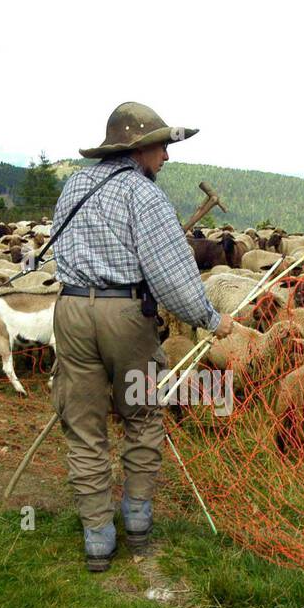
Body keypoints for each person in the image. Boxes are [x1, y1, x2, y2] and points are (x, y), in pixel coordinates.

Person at [51, 102, 235, 571]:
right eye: (162, 148)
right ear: (139, 149)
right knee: (143, 413)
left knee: (84, 424)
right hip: (126, 317)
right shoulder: (144, 196)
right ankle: (136, 522)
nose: (167, 158)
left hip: (71, 312)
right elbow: (173, 276)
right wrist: (212, 319)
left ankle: (97, 537)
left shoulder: (73, 184)